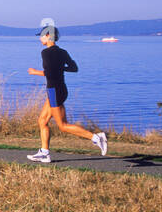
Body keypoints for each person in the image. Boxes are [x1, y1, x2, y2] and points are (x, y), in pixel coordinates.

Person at [25, 20, 108, 163]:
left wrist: (35, 72)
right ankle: (44, 152)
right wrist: (60, 68)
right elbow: (74, 68)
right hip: (60, 89)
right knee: (42, 120)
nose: (40, 38)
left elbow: (50, 73)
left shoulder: (45, 52)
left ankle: (96, 137)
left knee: (62, 125)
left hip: (54, 91)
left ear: (48, 37)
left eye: (42, 36)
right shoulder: (63, 52)